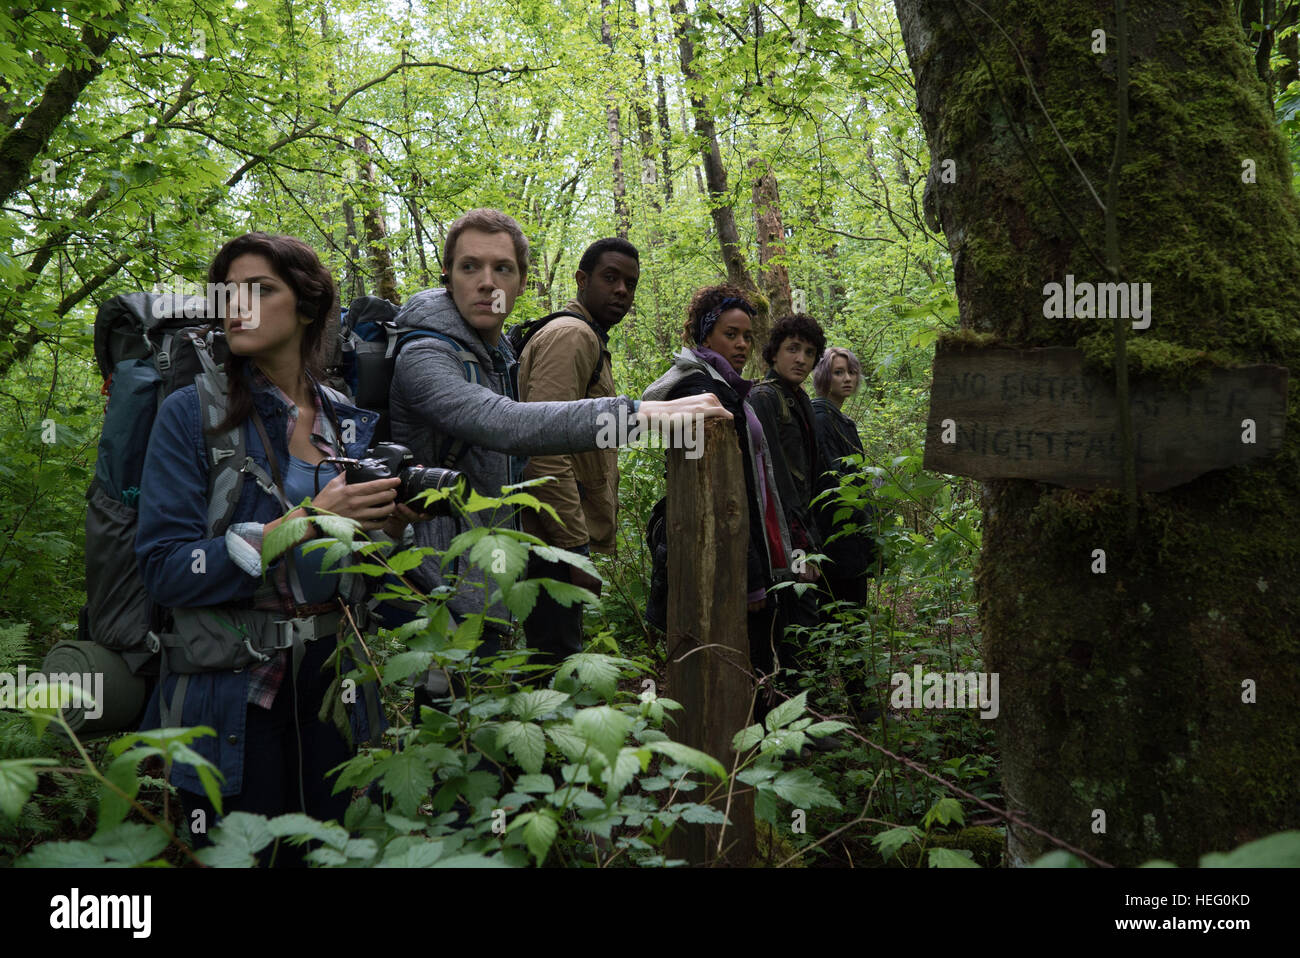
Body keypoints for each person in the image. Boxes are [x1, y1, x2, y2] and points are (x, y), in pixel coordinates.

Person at [135, 233, 414, 859]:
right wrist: (309, 519)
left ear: (308, 307)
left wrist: (387, 535)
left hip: (335, 687)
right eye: (228, 292)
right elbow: (165, 569)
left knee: (329, 851)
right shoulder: (191, 415)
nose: (239, 305)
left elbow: (366, 582)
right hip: (233, 691)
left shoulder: (346, 420)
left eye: (261, 289)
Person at [388, 210, 728, 680]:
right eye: (470, 267)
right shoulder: (425, 352)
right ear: (447, 277)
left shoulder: (492, 351)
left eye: (502, 269)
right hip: (441, 582)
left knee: (499, 712)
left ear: (523, 281)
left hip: (486, 571)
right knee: (462, 724)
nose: (488, 283)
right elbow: (507, 425)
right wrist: (644, 415)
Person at [641, 284, 794, 719]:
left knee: (755, 658)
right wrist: (749, 574)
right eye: (732, 334)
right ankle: (745, 758)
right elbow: (723, 489)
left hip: (748, 545)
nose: (743, 344)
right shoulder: (697, 385)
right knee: (739, 660)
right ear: (706, 336)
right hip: (725, 552)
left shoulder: (730, 387)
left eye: (748, 335)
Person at [516, 237, 640, 669]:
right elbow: (544, 445)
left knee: (553, 655)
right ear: (582, 280)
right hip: (548, 538)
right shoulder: (572, 335)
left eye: (630, 283)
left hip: (551, 534)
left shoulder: (586, 336)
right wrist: (574, 549)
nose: (622, 290)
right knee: (555, 664)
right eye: (610, 278)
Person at [748, 313, 828, 636]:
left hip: (804, 532)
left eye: (809, 353)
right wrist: (801, 549)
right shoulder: (764, 397)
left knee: (808, 626)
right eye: (793, 349)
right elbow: (775, 480)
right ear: (773, 352)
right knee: (797, 631)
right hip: (784, 542)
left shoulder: (798, 398)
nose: (801, 359)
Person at [811, 346, 879, 607]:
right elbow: (832, 480)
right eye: (838, 372)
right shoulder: (821, 419)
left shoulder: (840, 420)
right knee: (841, 611)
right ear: (823, 377)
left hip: (852, 535)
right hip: (835, 536)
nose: (848, 378)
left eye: (851, 372)